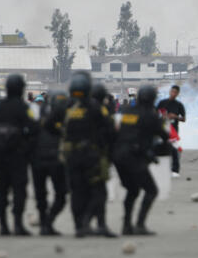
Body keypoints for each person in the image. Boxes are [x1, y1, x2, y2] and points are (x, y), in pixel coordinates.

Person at [62, 74, 115, 238]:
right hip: (91, 156)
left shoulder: (67, 108)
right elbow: (110, 131)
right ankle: (98, 224)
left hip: (71, 156)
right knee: (99, 191)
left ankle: (79, 226)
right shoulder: (94, 108)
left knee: (77, 192)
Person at [113, 85, 169, 236]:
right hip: (134, 157)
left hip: (118, 157)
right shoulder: (150, 115)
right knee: (151, 190)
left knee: (132, 191)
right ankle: (139, 224)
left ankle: (126, 225)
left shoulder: (126, 112)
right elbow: (164, 135)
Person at [0, 74, 38, 236]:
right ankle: (17, 224)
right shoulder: (23, 108)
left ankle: (3, 225)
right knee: (19, 190)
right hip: (18, 156)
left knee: (1, 190)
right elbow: (33, 129)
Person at [32, 90, 69, 236]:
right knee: (61, 194)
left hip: (38, 161)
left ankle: (44, 224)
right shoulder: (66, 120)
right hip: (56, 162)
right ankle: (48, 222)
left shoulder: (38, 117)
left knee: (41, 195)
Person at [157, 85, 186, 177]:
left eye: (175, 92)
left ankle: (175, 169)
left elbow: (184, 119)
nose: (173, 93)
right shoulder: (162, 103)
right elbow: (155, 114)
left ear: (177, 94)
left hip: (173, 130)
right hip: (163, 129)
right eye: (172, 91)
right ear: (169, 91)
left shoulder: (179, 105)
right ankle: (161, 169)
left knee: (174, 149)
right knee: (161, 148)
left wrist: (175, 116)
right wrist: (164, 116)